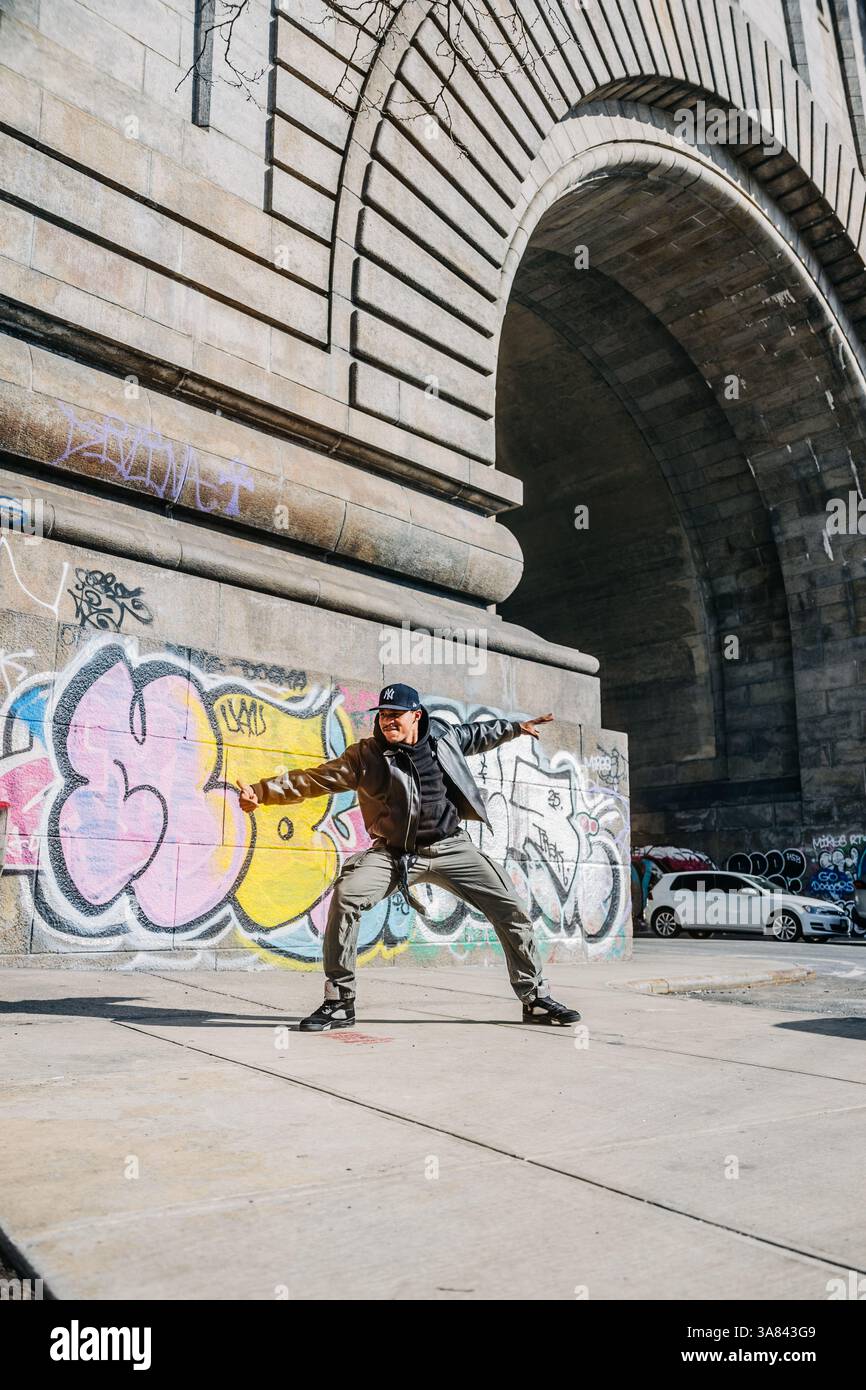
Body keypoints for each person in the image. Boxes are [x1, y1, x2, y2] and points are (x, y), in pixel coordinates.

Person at [235, 682, 582, 1032]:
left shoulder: (443, 737)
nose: (388, 722)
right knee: (347, 895)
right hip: (395, 853)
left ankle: (535, 998)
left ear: (416, 716)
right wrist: (263, 793)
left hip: (451, 847)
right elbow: (315, 780)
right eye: (383, 715)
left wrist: (514, 728)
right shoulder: (366, 756)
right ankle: (339, 1001)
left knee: (511, 908)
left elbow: (477, 734)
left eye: (396, 715)